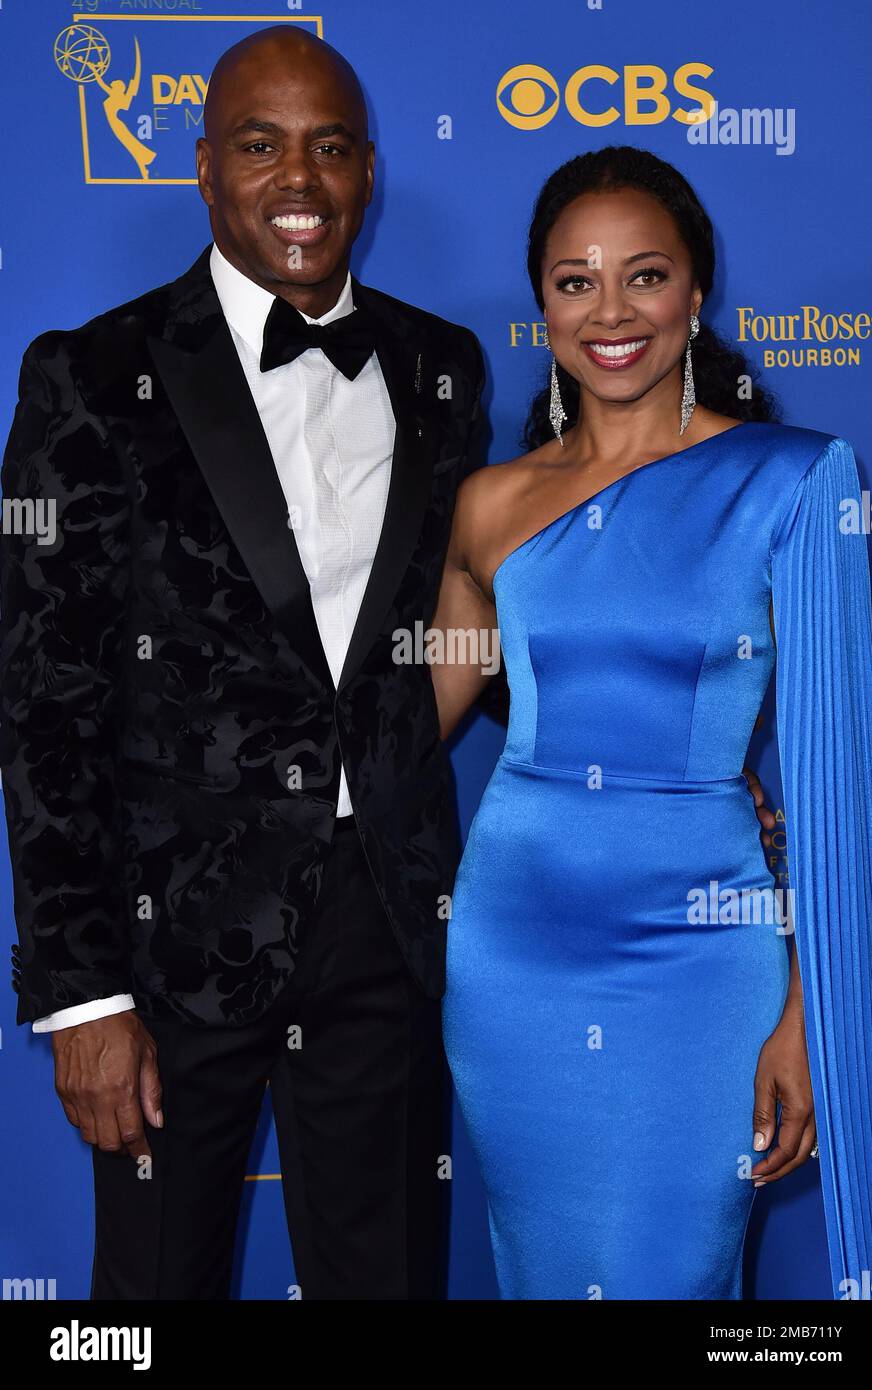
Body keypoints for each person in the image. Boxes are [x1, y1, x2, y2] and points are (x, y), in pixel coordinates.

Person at [0, 24, 497, 1301]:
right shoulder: (91, 376)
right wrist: (81, 993)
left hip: (383, 920)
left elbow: (486, 618)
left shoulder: (441, 368)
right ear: (206, 169)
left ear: (370, 171)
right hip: (168, 947)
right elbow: (44, 696)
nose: (300, 181)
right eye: (261, 145)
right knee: (144, 1305)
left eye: (330, 147)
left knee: (384, 1279)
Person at [433, 147, 872, 1300]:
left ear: (697, 291)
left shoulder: (793, 480)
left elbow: (840, 778)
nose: (612, 311)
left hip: (705, 953)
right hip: (514, 947)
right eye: (574, 281)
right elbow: (399, 727)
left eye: (646, 275)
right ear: (540, 303)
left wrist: (810, 1011)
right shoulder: (489, 504)